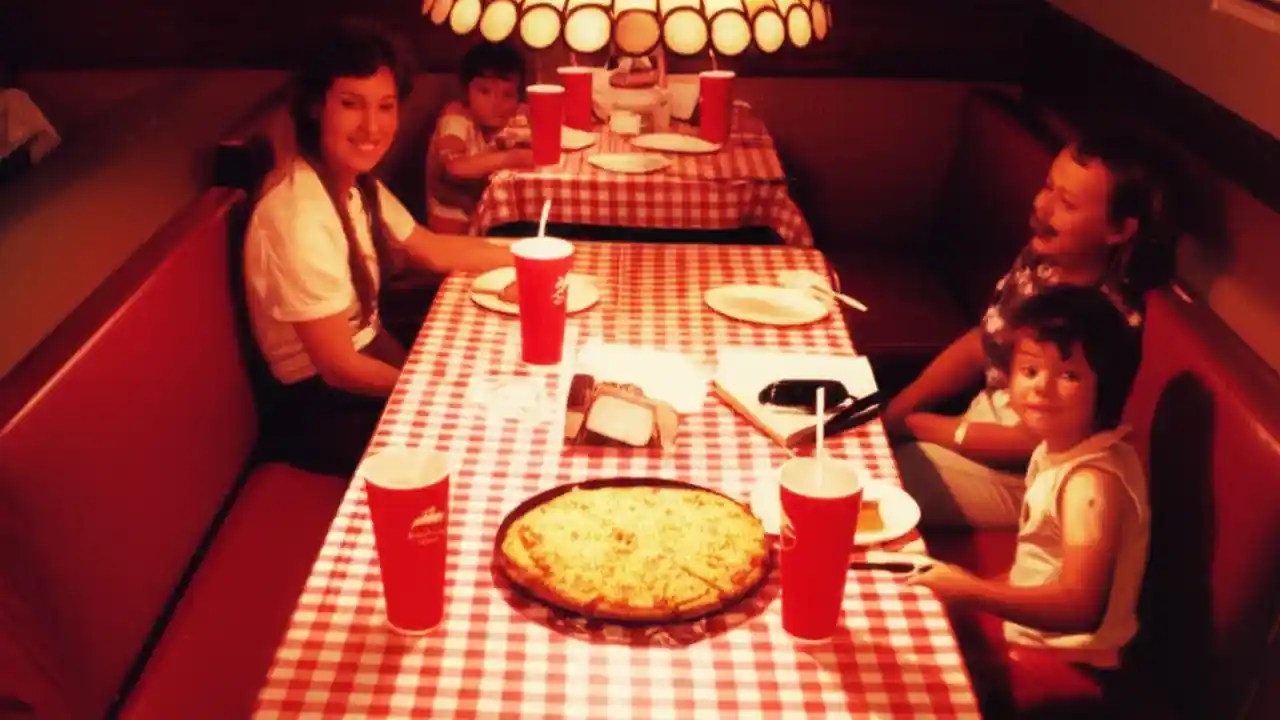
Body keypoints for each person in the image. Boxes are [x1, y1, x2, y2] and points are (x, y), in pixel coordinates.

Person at [242, 20, 511, 476]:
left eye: (385, 106)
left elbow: (431, 249)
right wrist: (433, 387)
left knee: (501, 377)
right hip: (319, 410)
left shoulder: (353, 182)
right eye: (351, 104)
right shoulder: (297, 214)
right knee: (481, 442)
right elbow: (339, 367)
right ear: (314, 107)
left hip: (369, 360)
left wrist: (539, 256)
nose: (372, 126)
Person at [884, 132, 1175, 528]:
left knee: (880, 484)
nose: (1042, 205)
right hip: (976, 432)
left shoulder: (1103, 319)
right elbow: (982, 343)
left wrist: (923, 426)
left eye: (1067, 203)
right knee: (860, 446)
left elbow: (1034, 439)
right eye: (1048, 187)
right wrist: (904, 404)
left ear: (1120, 231)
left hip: (1028, 479)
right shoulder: (1041, 262)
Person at [909, 286, 1148, 701]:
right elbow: (1039, 565)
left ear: (1105, 388)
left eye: (1069, 375)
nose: (1042, 388)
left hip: (1070, 666)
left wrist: (970, 589)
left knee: (914, 676)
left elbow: (1080, 607)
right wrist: (971, 590)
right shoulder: (1057, 448)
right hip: (1042, 639)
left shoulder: (1090, 483)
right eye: (1030, 370)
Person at [425, 42, 532, 234]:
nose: (496, 103)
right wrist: (513, 157)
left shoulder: (512, 118)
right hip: (451, 223)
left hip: (489, 214)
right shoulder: (456, 118)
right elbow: (455, 166)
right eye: (484, 91)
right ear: (466, 91)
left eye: (507, 95)